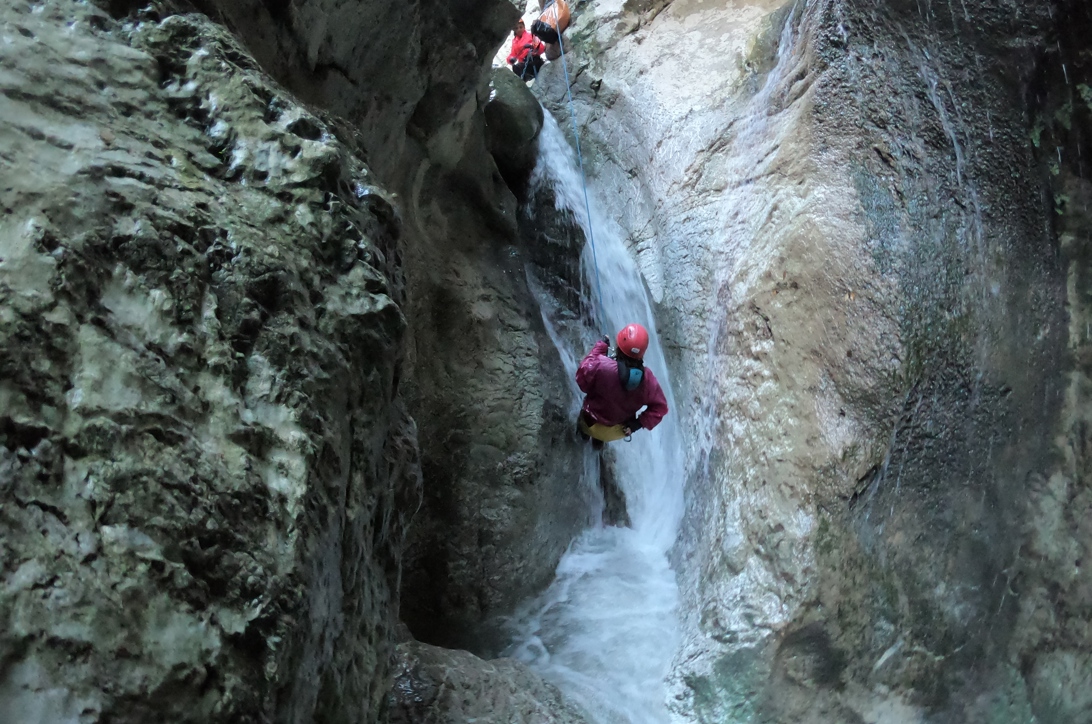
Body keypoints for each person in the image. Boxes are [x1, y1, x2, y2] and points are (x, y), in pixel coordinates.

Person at [575, 323, 669, 449]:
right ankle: (598, 445)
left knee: (585, 425)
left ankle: (582, 438)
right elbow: (660, 408)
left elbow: (581, 381)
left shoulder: (602, 366)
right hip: (617, 431)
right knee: (605, 433)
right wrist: (636, 424)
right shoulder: (648, 380)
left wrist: (600, 347)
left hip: (590, 422)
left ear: (619, 345)